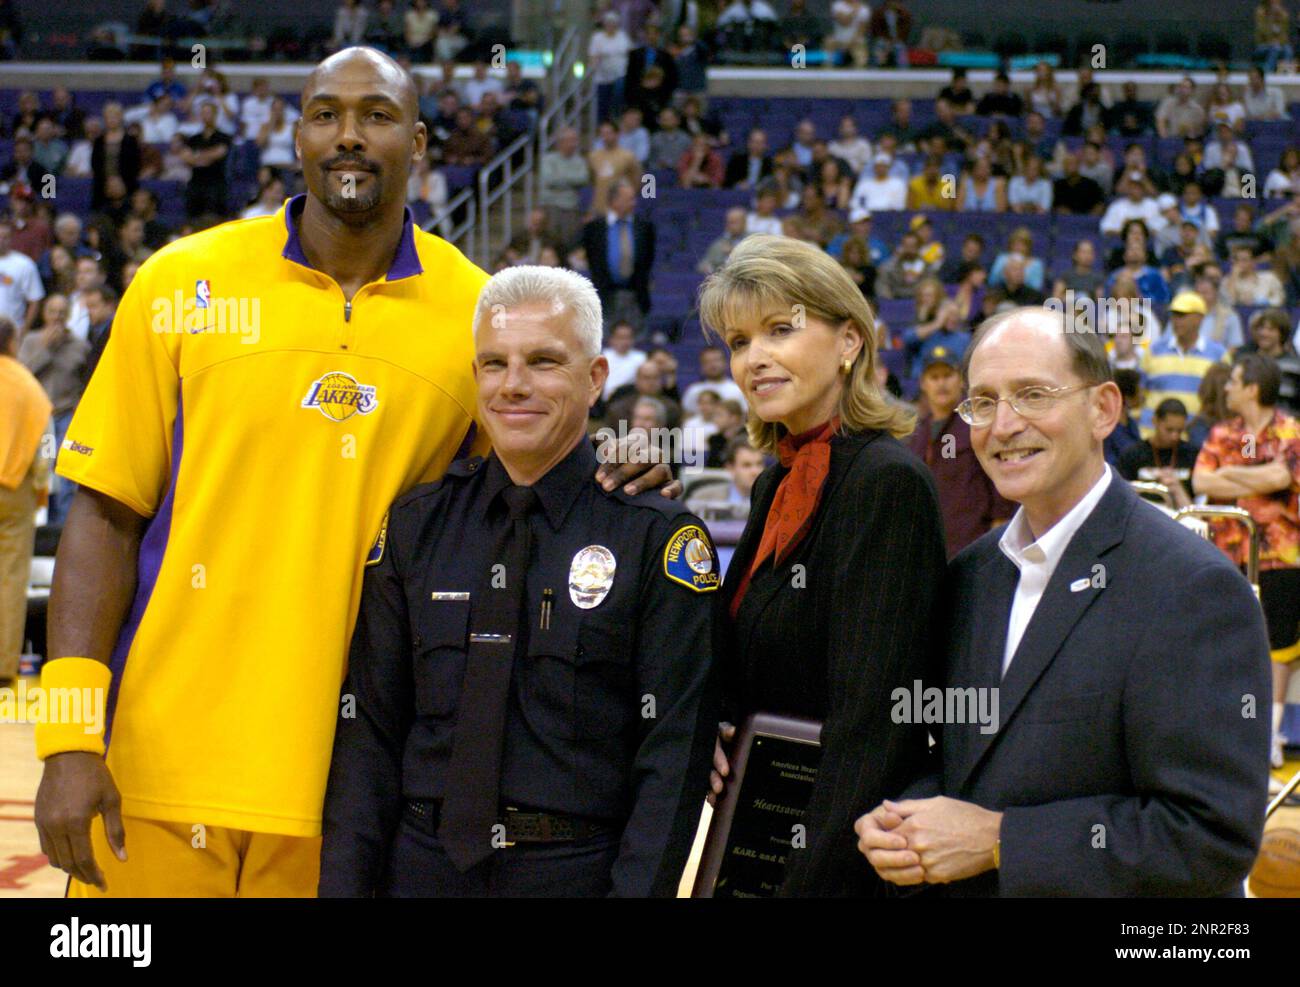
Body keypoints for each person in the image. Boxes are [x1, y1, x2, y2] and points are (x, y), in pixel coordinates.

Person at [33, 46, 672, 900]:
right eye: (325, 113)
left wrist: (621, 466)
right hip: (157, 765)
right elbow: (103, 512)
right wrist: (70, 739)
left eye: (376, 116)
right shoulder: (179, 283)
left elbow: (526, 492)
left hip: (354, 786)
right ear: (296, 137)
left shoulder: (472, 315)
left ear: (417, 140)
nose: (348, 136)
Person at [319, 266, 717, 897]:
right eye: (495, 364)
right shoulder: (417, 526)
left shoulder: (655, 535)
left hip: (574, 874)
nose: (514, 385)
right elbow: (368, 734)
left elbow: (673, 761)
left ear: (594, 380)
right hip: (420, 867)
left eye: (543, 361)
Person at [857, 305, 1271, 896]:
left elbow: (1209, 836)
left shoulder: (1193, 587)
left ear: (1103, 409)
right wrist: (905, 820)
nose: (1003, 425)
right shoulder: (972, 574)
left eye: (1031, 394)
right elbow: (963, 764)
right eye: (984, 401)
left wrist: (1000, 840)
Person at [702, 234, 947, 896]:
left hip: (833, 868)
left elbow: (874, 735)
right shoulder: (771, 484)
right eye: (739, 341)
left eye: (781, 329)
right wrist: (714, 726)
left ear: (850, 342)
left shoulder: (888, 483)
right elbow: (748, 653)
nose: (755, 357)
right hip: (754, 840)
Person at [1194, 354, 1300, 772]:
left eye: (1234, 381)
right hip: (1227, 556)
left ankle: (1268, 738)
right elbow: (1202, 481)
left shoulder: (1291, 431)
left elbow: (1282, 479)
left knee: (1277, 649)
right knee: (1231, 644)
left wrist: (1233, 473)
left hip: (1281, 557)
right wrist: (1262, 473)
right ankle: (1230, 737)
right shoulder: (1222, 432)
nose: (1226, 387)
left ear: (1253, 388)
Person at [908, 343, 1014, 558]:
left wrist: (1000, 527)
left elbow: (999, 479)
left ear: (961, 380)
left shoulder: (978, 424)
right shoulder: (917, 434)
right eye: (934, 377)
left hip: (974, 543)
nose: (941, 383)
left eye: (947, 375)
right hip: (932, 548)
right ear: (923, 384)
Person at [0, 316, 50, 685]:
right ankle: (2, 669)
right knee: (11, 579)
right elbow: (42, 447)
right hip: (13, 488)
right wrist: (41, 492)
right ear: (13, 342)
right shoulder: (28, 386)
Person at [18, 293, 87, 526]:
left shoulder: (80, 346)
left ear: (68, 315)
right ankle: (43, 527)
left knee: (65, 473)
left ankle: (62, 529)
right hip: (43, 422)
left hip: (67, 417)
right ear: (43, 314)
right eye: (52, 311)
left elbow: (86, 382)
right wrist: (45, 349)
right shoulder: (31, 341)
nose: (57, 317)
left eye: (61, 312)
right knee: (46, 471)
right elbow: (22, 374)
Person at [580, 180, 655, 332]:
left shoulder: (645, 228)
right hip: (604, 295)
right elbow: (590, 258)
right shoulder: (594, 228)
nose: (634, 203)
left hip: (636, 295)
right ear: (614, 201)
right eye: (629, 199)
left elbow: (648, 260)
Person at [1118, 397, 1197, 506]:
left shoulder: (1192, 453)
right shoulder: (1133, 454)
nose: (1175, 436)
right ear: (1155, 421)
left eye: (1179, 431)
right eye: (1169, 430)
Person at [682, 345, 746, 414]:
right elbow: (687, 416)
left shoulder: (738, 389)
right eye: (707, 361)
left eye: (716, 360)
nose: (712, 365)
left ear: (725, 363)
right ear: (702, 366)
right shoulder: (693, 391)